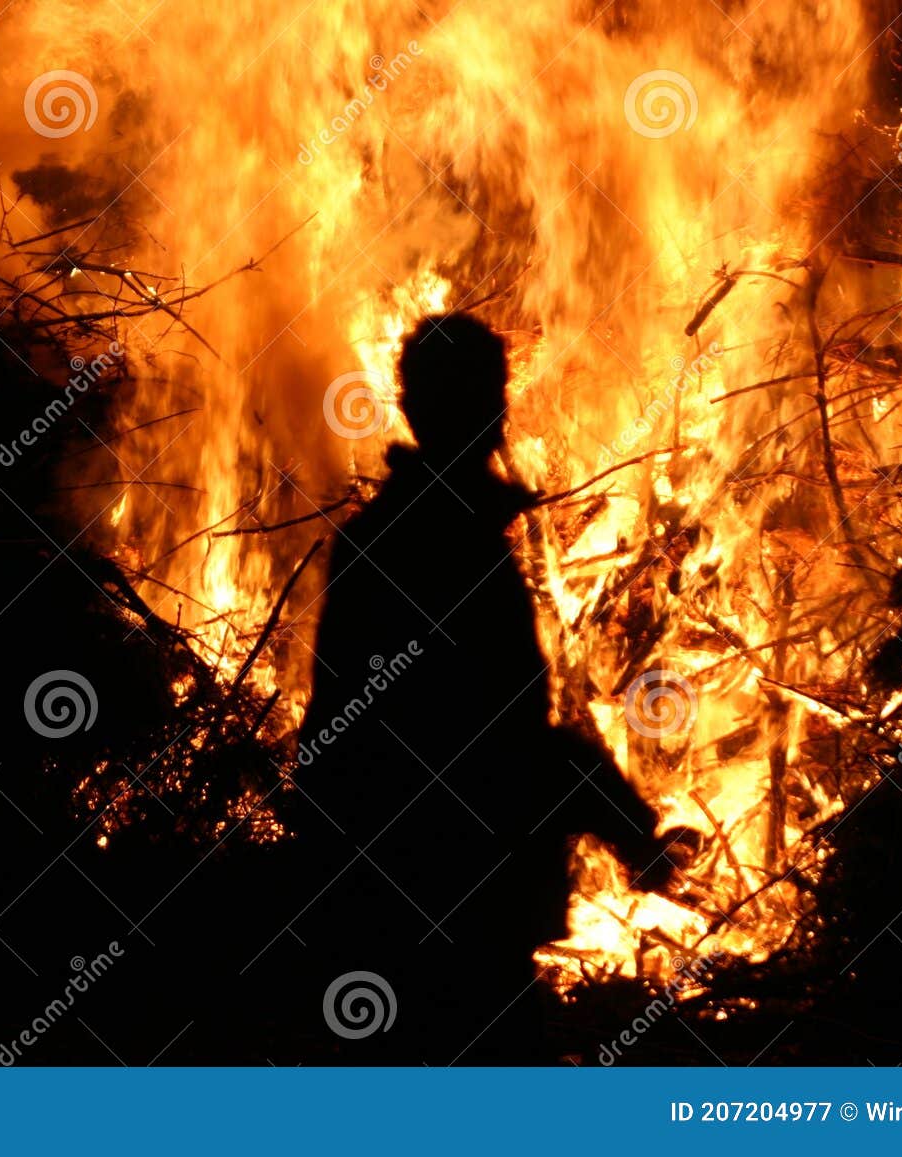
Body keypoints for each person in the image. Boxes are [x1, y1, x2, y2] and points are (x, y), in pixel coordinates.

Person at [279, 313, 684, 1062]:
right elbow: (507, 746)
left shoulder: (378, 540)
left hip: (384, 902)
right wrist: (630, 831)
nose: (496, 417)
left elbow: (335, 735)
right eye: (486, 398)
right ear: (481, 412)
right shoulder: (453, 551)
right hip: (465, 903)